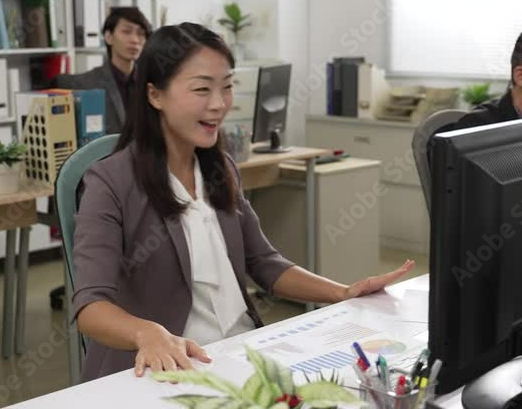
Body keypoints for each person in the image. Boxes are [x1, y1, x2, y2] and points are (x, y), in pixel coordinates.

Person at [71, 22, 415, 381]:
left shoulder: (220, 169)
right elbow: (90, 306)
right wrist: (147, 332)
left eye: (228, 87)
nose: (219, 104)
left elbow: (264, 262)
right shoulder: (109, 183)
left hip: (238, 352)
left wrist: (342, 292)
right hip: (170, 367)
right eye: (202, 89)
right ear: (155, 95)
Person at [53, 7, 152, 134]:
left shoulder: (151, 83)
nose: (135, 40)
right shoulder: (87, 85)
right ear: (108, 37)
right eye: (126, 32)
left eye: (141, 33)